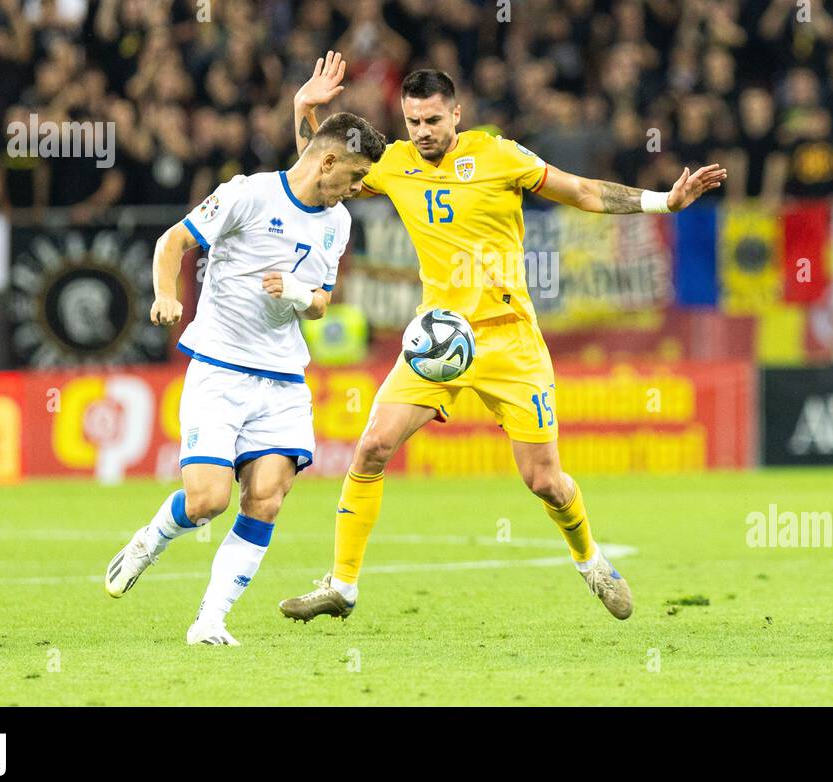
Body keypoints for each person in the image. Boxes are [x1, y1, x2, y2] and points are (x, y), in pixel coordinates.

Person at [279, 52, 725, 623]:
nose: (422, 132)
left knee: (544, 481)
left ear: (456, 114)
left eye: (432, 120)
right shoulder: (393, 164)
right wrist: (303, 108)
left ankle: (589, 560)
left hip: (509, 340)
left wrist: (663, 201)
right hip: (437, 343)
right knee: (371, 448)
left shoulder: (499, 155)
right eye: (413, 122)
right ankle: (342, 585)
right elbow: (322, 172)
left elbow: (583, 192)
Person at [103, 110, 386, 645]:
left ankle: (210, 620)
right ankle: (150, 540)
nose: (356, 190)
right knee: (207, 501)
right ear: (328, 161)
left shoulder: (339, 223)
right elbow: (171, 242)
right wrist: (166, 295)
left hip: (283, 379)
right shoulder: (247, 195)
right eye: (354, 177)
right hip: (220, 368)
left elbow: (320, 303)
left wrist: (298, 294)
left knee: (266, 500)